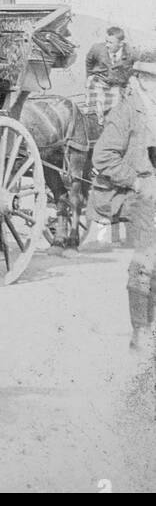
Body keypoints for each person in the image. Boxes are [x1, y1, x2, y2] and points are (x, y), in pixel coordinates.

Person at [88, 60, 156, 353]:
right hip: (134, 195)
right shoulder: (126, 111)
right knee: (145, 260)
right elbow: (102, 157)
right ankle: (140, 332)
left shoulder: (152, 108)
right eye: (154, 78)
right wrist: (138, 183)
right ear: (140, 78)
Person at [85, 26, 134, 140]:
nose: (107, 45)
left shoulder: (130, 52)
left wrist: (128, 83)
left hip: (116, 85)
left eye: (111, 43)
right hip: (98, 82)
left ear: (120, 44)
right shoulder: (97, 48)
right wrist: (88, 77)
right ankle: (94, 136)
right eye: (106, 41)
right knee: (94, 112)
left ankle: (111, 138)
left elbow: (135, 68)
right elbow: (88, 61)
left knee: (114, 113)